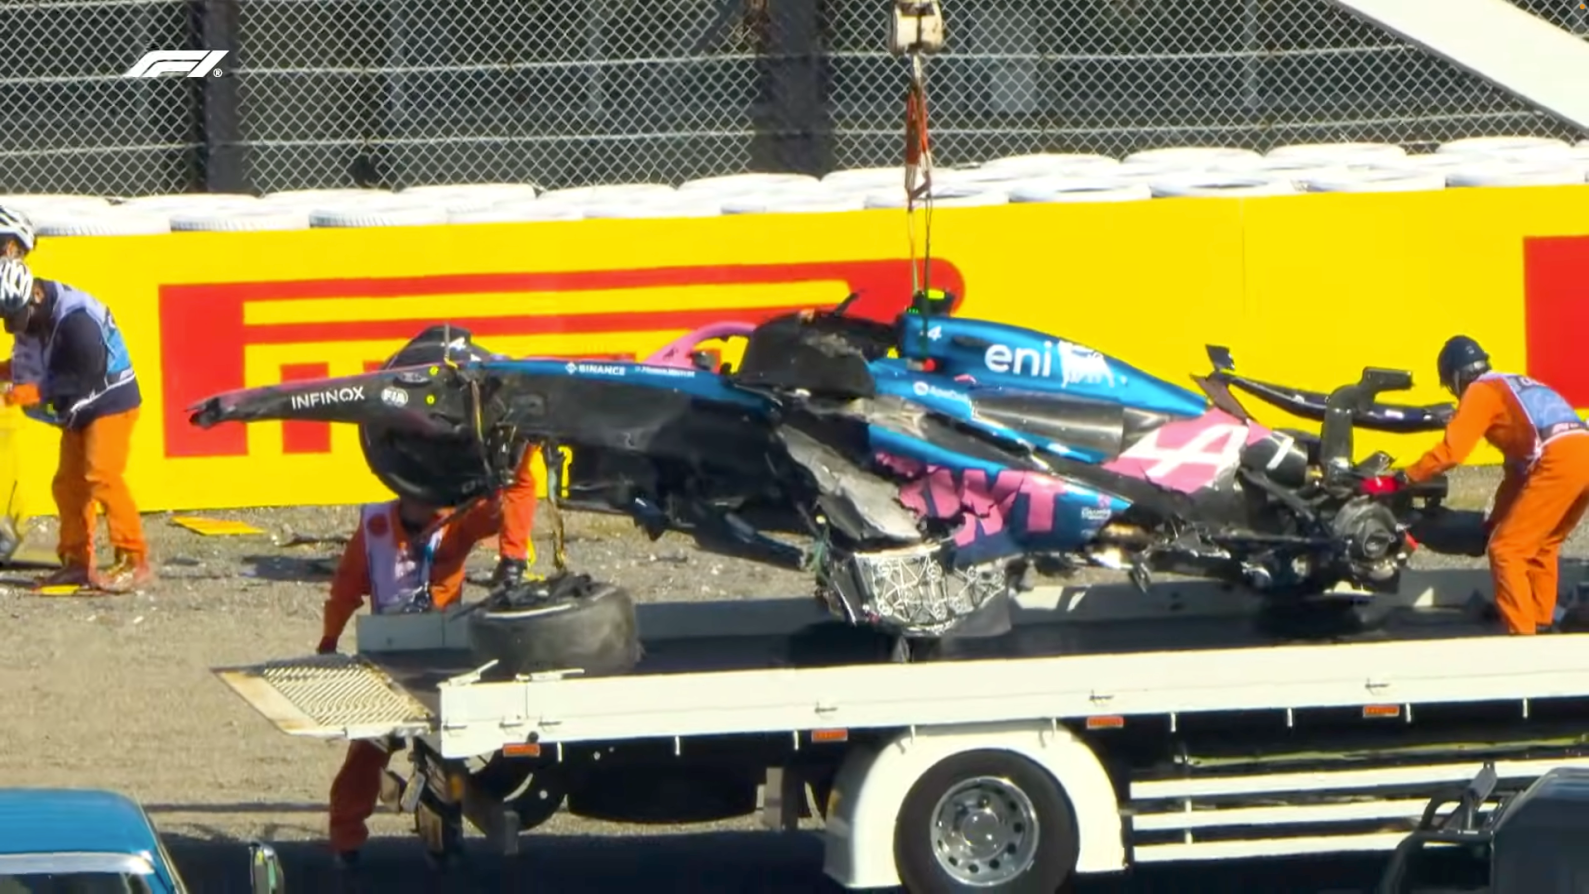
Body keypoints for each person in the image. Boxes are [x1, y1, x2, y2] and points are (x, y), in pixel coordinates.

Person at [318, 453, 538, 873]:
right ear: (406, 492)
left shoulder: (456, 522)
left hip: (439, 665)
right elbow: (346, 587)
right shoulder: (373, 526)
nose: (438, 505)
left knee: (443, 760)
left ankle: (444, 843)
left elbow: (501, 509)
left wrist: (516, 462)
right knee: (366, 754)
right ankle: (345, 842)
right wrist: (329, 639)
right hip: (386, 663)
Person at [1399, 335, 1589, 635]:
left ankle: (1522, 635)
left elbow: (1452, 452)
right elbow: (1517, 477)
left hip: (1561, 458)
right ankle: (1541, 623)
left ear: (1456, 377)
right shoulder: (1516, 385)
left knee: (1506, 550)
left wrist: (1406, 477)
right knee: (1542, 544)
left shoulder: (1481, 391)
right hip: (1581, 452)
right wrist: (1497, 520)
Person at [0, 214, 150, 592]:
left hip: (109, 399)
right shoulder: (32, 315)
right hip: (76, 408)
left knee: (101, 476)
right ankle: (76, 562)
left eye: (16, 317)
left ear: (33, 296)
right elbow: (26, 366)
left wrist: (26, 394)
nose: (12, 326)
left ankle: (134, 558)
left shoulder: (76, 321)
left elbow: (78, 378)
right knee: (67, 485)